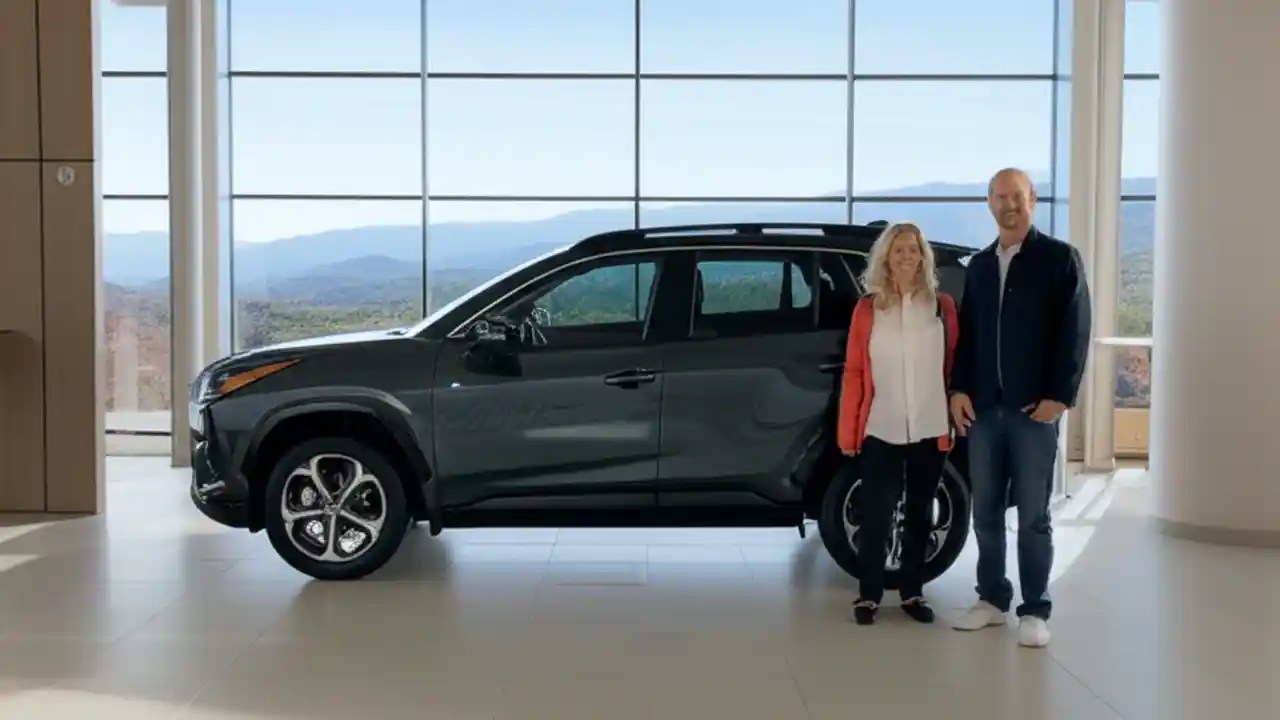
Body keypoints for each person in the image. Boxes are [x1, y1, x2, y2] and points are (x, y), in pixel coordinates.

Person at [949, 168, 1091, 648]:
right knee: (984, 512)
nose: (1008, 203)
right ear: (988, 203)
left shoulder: (1058, 259)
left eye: (1017, 195)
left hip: (1035, 411)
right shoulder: (981, 266)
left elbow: (1074, 332)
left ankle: (1035, 609)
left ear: (1031, 199)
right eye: (999, 196)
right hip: (984, 410)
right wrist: (958, 389)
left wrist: (1060, 396)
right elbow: (967, 336)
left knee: (1033, 515)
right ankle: (992, 599)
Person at [837, 222, 959, 626]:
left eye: (913, 249)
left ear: (923, 256)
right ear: (885, 258)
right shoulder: (868, 309)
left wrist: (956, 417)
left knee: (921, 514)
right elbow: (855, 371)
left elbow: (955, 366)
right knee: (877, 513)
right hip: (882, 425)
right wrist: (848, 430)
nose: (906, 257)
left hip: (931, 423)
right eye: (898, 250)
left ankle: (912, 592)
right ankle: (869, 595)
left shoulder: (941, 306)